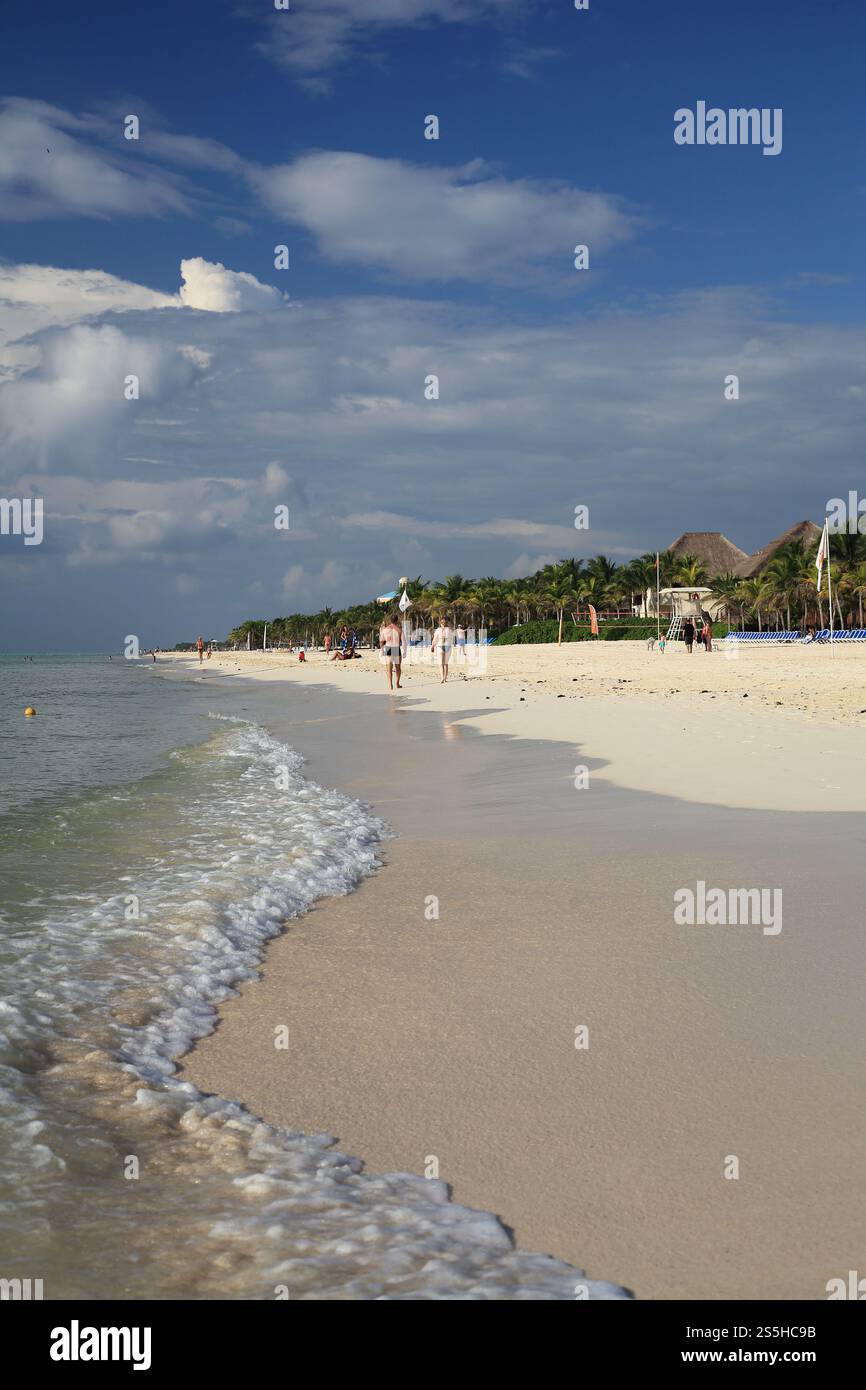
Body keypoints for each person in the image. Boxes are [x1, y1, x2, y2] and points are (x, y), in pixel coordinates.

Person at [379, 613, 403, 690]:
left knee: (389, 668)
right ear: (397, 620)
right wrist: (405, 651)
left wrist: (382, 649)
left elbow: (381, 641)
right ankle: (397, 683)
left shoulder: (385, 630)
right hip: (396, 648)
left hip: (389, 648)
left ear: (390, 620)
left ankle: (390, 685)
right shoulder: (399, 630)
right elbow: (403, 642)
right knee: (398, 668)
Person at [432, 615, 454, 683]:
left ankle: (442, 678)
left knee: (441, 664)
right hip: (447, 646)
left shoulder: (438, 630)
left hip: (440, 646)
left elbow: (435, 639)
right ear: (447, 623)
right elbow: (452, 639)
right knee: (446, 663)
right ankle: (445, 678)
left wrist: (432, 646)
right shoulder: (450, 630)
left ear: (440, 623)